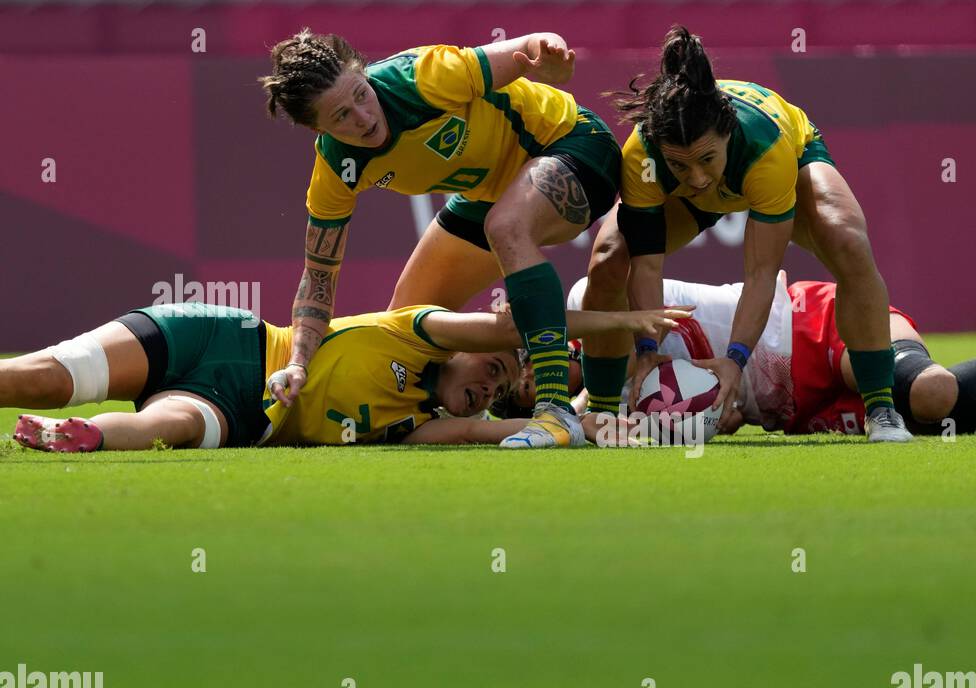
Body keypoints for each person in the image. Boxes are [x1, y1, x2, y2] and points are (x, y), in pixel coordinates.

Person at [259, 29, 621, 448]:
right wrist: (298, 362)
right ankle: (436, 420)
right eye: (341, 116)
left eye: (361, 94)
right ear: (316, 129)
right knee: (404, 327)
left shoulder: (422, 78)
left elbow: (529, 47)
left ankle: (556, 413)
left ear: (364, 74)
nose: (362, 117)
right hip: (491, 194)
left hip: (575, 145)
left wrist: (551, 51)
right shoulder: (335, 167)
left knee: (506, 227)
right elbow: (319, 277)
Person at [576, 25, 911, 443]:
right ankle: (603, 414)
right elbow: (647, 262)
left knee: (847, 241)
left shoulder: (764, 151)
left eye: (706, 159)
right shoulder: (642, 154)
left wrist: (735, 359)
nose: (697, 177)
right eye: (680, 165)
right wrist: (646, 351)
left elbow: (760, 273)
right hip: (691, 200)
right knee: (609, 256)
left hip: (793, 151)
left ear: (727, 135)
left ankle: (881, 408)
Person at [557, 275, 976, 438]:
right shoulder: (601, 407)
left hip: (815, 321)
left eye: (536, 359)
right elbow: (716, 419)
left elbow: (581, 308)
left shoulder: (594, 294)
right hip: (798, 407)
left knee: (930, 393)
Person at [3, 301, 683, 452]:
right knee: (43, 376)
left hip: (239, 410)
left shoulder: (419, 426)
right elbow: (515, 325)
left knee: (168, 427)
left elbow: (522, 426)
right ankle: (58, 406)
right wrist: (624, 317)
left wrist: (624, 427)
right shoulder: (416, 329)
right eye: (493, 371)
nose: (490, 386)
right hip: (221, 339)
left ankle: (77, 436)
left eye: (498, 388)